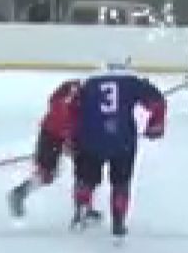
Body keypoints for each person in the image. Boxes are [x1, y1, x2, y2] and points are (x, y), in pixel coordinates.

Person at [70, 57, 167, 239]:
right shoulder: (131, 81)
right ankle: (118, 221)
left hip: (91, 137)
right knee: (120, 182)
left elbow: (74, 108)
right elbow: (157, 101)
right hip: (122, 138)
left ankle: (81, 211)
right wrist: (154, 126)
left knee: (86, 178)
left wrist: (72, 137)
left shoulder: (89, 82)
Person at [8, 78, 83, 219]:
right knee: (49, 174)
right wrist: (68, 142)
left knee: (84, 174)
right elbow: (62, 116)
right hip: (52, 135)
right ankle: (19, 193)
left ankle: (84, 208)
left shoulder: (75, 88)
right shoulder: (74, 99)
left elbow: (54, 100)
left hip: (55, 133)